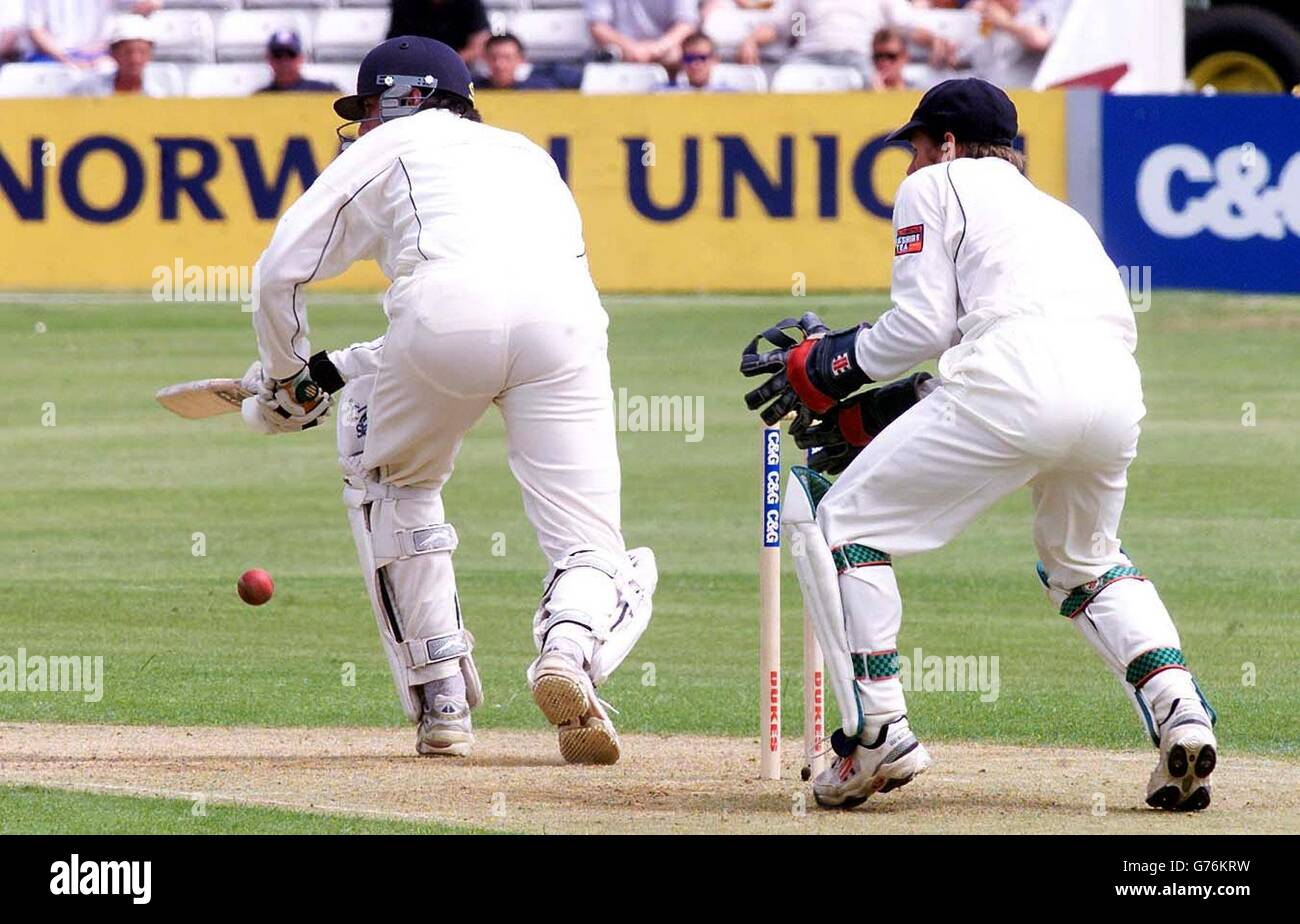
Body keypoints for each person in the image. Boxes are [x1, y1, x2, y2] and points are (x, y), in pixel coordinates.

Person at [740, 78, 1218, 812]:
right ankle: (1179, 708)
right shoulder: (1059, 216)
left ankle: (879, 732)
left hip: (1014, 385)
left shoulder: (938, 186)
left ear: (950, 145)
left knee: (846, 524)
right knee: (1085, 562)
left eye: (917, 148)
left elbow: (925, 328)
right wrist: (889, 411)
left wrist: (826, 365)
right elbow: (995, 347)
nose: (909, 167)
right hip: (1114, 398)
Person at [242, 37, 657, 766]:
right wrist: (330, 370)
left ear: (399, 98)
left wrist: (285, 380)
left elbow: (278, 275)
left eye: (366, 108)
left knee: (394, 479)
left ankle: (442, 701)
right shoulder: (527, 153)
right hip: (566, 328)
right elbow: (505, 301)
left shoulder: (384, 147)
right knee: (592, 543)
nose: (362, 125)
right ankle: (567, 648)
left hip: (442, 321)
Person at [949, 0, 1069, 87]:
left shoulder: (1032, 16)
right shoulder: (984, 25)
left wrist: (1006, 24)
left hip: (1028, 100)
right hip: (989, 101)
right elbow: (959, 60)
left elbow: (1039, 41)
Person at [25, 0, 161, 66]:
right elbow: (35, 29)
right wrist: (68, 60)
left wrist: (114, 43)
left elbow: (151, 3)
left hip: (103, 57)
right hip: (51, 60)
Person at [70, 14, 163, 96]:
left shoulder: (164, 90)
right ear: (113, 53)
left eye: (142, 52)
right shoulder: (88, 89)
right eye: (127, 52)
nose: (135, 59)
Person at [586, 0, 698, 67]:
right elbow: (597, 26)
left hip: (665, 52)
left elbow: (686, 24)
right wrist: (632, 49)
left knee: (678, 55)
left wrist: (655, 49)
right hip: (619, 52)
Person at [387, 0, 489, 67]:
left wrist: (447, 63)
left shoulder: (471, 3)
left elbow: (479, 44)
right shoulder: (404, 3)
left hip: (457, 66)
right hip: (414, 65)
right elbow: (394, 43)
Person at [256, 31, 339, 94]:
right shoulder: (259, 98)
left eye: (291, 54)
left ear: (301, 58)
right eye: (278, 55)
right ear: (269, 58)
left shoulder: (324, 92)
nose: (285, 61)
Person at [482, 33, 558, 90]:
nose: (499, 64)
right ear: (485, 58)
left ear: (520, 59)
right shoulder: (473, 89)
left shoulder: (538, 90)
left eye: (507, 58)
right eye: (493, 57)